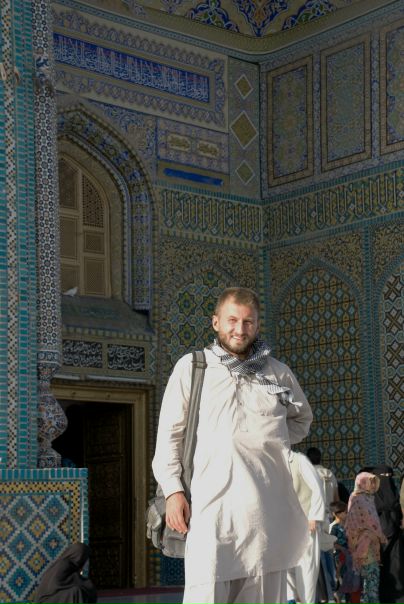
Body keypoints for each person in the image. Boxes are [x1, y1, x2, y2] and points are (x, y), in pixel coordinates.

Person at [152, 286, 313, 604]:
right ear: (216, 322)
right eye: (232, 320)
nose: (240, 329)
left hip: (268, 517)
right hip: (213, 514)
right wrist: (173, 492)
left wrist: (267, 442)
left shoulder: (277, 374)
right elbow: (170, 435)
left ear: (257, 325)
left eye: (248, 322)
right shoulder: (194, 367)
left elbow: (301, 420)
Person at [286, 450, 326, 604]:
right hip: (284, 526)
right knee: (285, 569)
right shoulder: (272, 463)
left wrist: (314, 516)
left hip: (305, 525)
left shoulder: (299, 460)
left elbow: (317, 487)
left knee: (306, 568)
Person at [361, 464, 404, 604]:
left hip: (394, 541)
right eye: (384, 476)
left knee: (396, 572)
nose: (387, 479)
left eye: (389, 476)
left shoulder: (393, 496)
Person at [345, 472, 388, 604]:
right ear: (362, 483)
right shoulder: (358, 498)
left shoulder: (367, 498)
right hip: (364, 544)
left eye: (374, 482)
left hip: (369, 543)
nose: (373, 485)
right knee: (372, 576)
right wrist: (378, 535)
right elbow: (365, 521)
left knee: (370, 579)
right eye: (371, 482)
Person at [306, 446, 339, 602]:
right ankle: (331, 587)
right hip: (328, 518)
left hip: (313, 520)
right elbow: (336, 499)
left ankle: (320, 592)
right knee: (328, 552)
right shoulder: (329, 474)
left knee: (315, 556)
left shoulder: (308, 472)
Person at [33, 542, 97, 603]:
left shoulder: (71, 565)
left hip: (56, 598)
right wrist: (87, 584)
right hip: (46, 600)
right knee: (75, 591)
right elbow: (57, 584)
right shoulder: (64, 564)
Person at [329, 500, 361, 604]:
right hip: (340, 557)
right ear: (336, 514)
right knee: (344, 577)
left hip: (351, 555)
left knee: (351, 577)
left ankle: (347, 598)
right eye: (344, 512)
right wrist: (342, 548)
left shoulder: (349, 524)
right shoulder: (334, 527)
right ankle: (342, 596)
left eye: (346, 512)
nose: (346, 514)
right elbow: (332, 543)